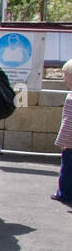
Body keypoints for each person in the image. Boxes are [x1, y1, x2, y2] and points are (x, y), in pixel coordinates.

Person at [53, 59, 72, 207]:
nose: (64, 78)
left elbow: (68, 123)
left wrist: (63, 142)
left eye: (66, 75)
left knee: (67, 170)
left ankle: (64, 193)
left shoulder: (71, 98)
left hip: (70, 143)